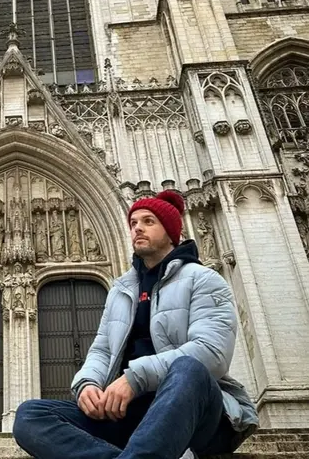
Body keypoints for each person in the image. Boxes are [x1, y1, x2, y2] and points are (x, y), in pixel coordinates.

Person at [13, 191, 258, 459]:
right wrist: (87, 384)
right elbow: (102, 350)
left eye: (148, 221)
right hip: (130, 416)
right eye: (133, 223)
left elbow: (212, 353)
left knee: (189, 368)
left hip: (194, 413)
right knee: (30, 415)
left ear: (171, 231)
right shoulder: (121, 289)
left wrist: (134, 378)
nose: (138, 228)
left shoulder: (204, 279)